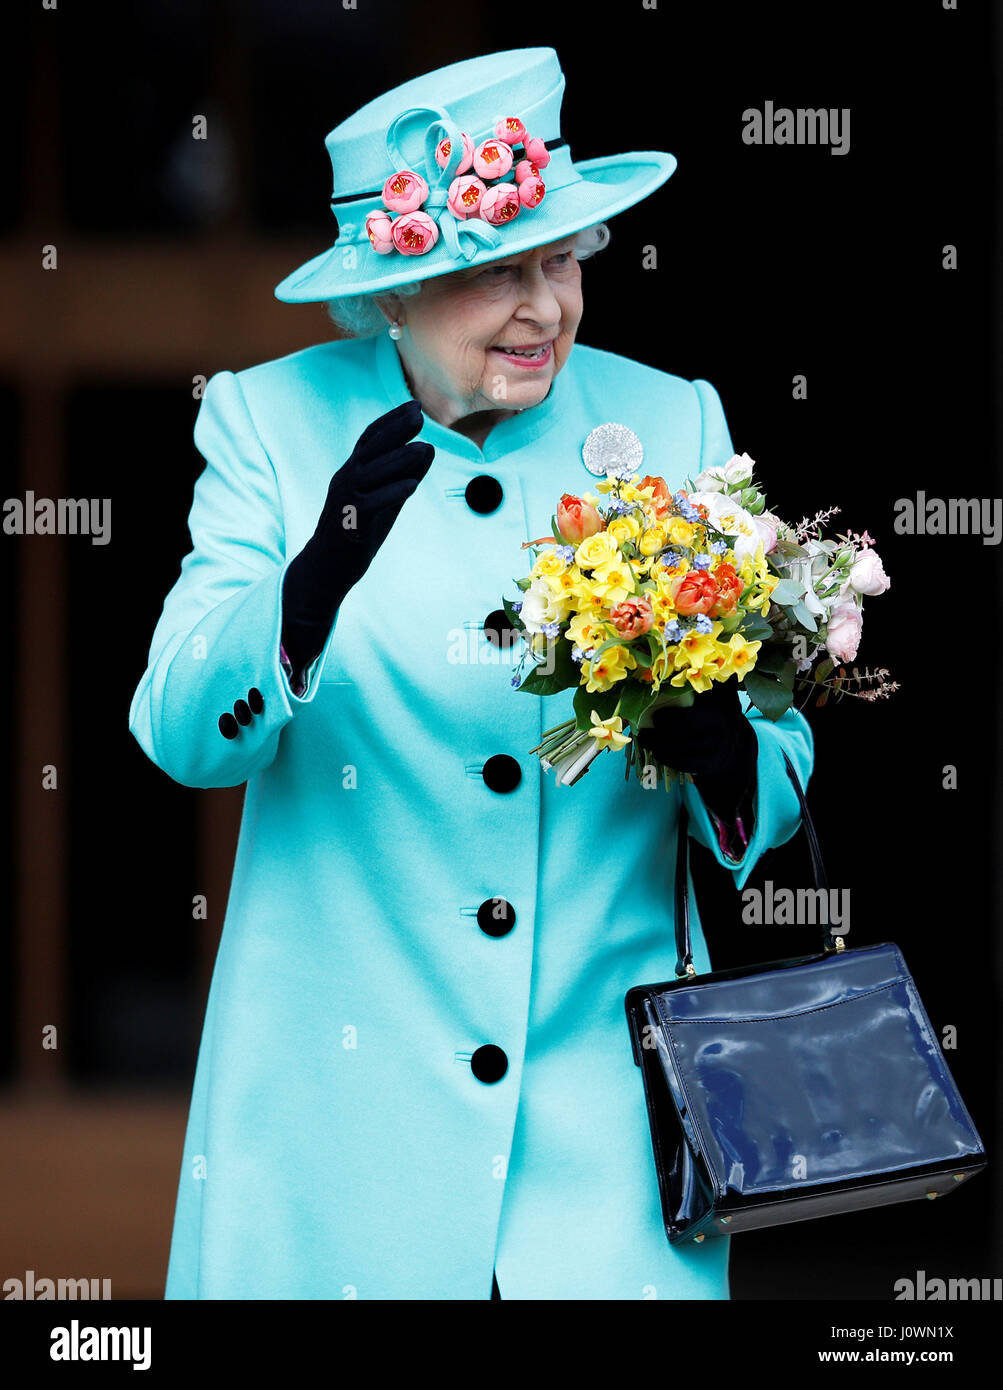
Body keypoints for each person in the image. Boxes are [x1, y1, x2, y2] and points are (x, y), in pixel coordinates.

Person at [129, 46, 813, 1301]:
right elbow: (179, 730)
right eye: (497, 270)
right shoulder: (266, 427)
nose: (544, 308)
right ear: (387, 294)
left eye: (561, 260)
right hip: (343, 1143)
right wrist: (304, 593)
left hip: (607, 1156)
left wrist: (728, 751)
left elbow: (777, 768)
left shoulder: (674, 422)